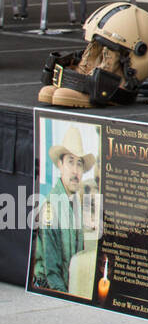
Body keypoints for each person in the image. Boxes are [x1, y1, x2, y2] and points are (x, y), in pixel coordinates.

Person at [32, 126, 96, 295]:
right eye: (70, 161)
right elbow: (50, 271)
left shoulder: (75, 203)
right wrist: (67, 296)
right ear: (60, 165)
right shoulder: (51, 207)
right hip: (50, 290)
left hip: (69, 287)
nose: (75, 170)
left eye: (79, 163)